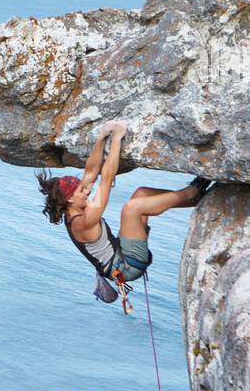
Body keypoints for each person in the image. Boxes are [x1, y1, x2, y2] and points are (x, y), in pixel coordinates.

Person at [36, 121, 210, 300]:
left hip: (121, 251)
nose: (86, 190)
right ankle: (191, 191)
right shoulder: (83, 221)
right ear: (70, 199)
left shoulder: (73, 207)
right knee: (131, 209)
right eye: (81, 190)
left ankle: (195, 200)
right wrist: (117, 137)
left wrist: (102, 137)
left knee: (141, 194)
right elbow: (106, 178)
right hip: (127, 267)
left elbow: (91, 171)